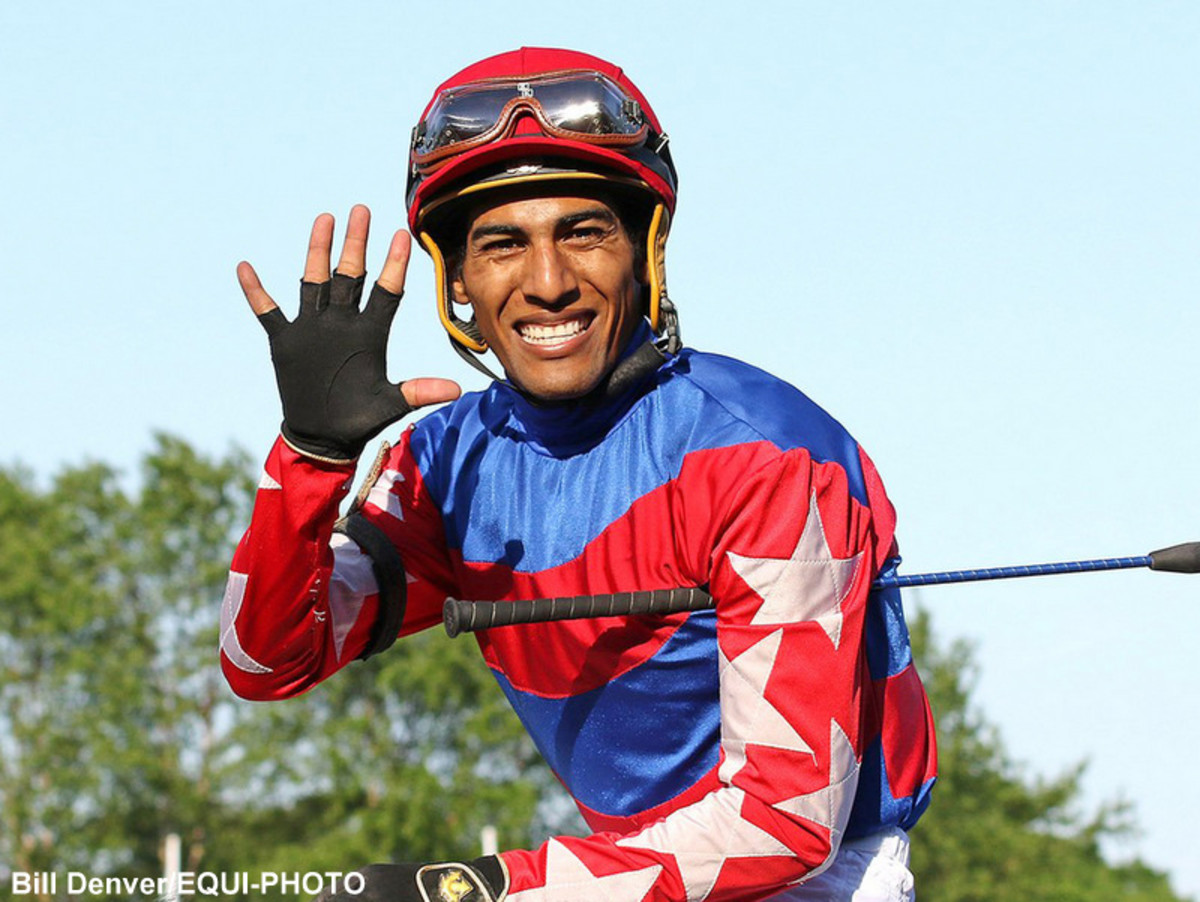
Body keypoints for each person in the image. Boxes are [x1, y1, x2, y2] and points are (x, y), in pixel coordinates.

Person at [222, 46, 938, 902]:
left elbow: (784, 824)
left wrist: (476, 889)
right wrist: (312, 458)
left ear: (644, 253)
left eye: (584, 233)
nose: (549, 282)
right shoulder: (444, 462)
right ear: (459, 281)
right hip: (623, 871)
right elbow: (265, 661)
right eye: (501, 245)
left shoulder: (769, 457)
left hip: (804, 876)